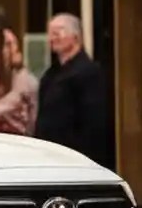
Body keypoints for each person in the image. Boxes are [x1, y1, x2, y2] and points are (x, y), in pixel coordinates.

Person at [33, 13, 110, 168]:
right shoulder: (51, 74)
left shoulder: (89, 72)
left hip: (75, 158)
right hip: (49, 156)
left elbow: (94, 123)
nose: (53, 37)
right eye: (50, 32)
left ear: (76, 36)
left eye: (58, 31)